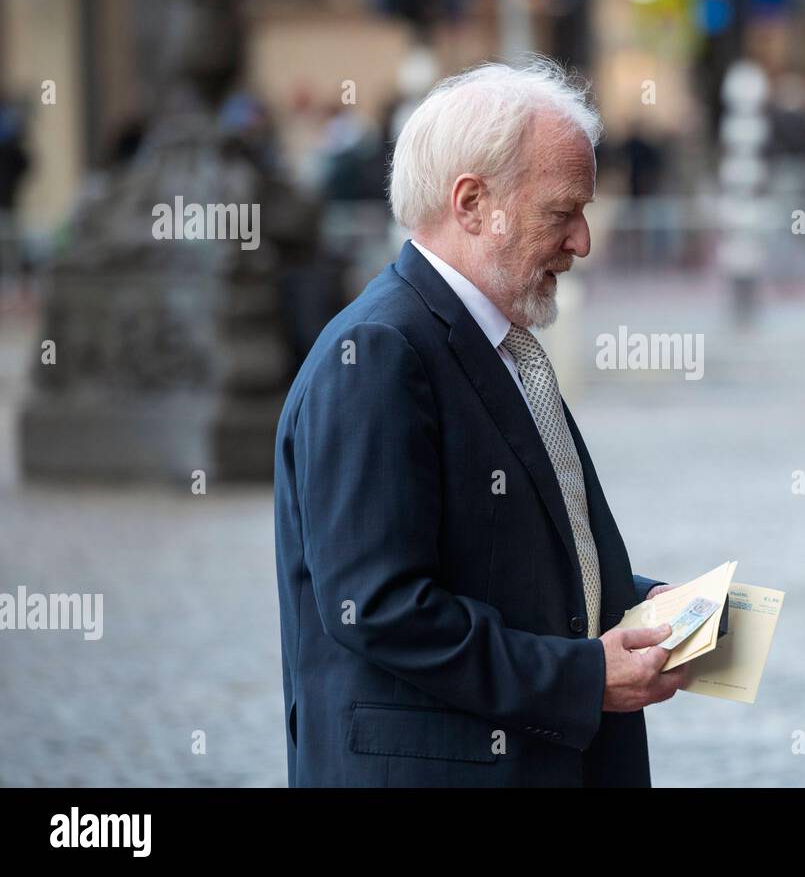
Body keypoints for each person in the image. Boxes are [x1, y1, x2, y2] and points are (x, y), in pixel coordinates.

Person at [273, 59, 687, 787]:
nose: (582, 241)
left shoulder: (497, 337)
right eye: (562, 212)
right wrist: (584, 676)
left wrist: (633, 601)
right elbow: (380, 608)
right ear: (471, 203)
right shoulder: (379, 352)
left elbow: (509, 554)